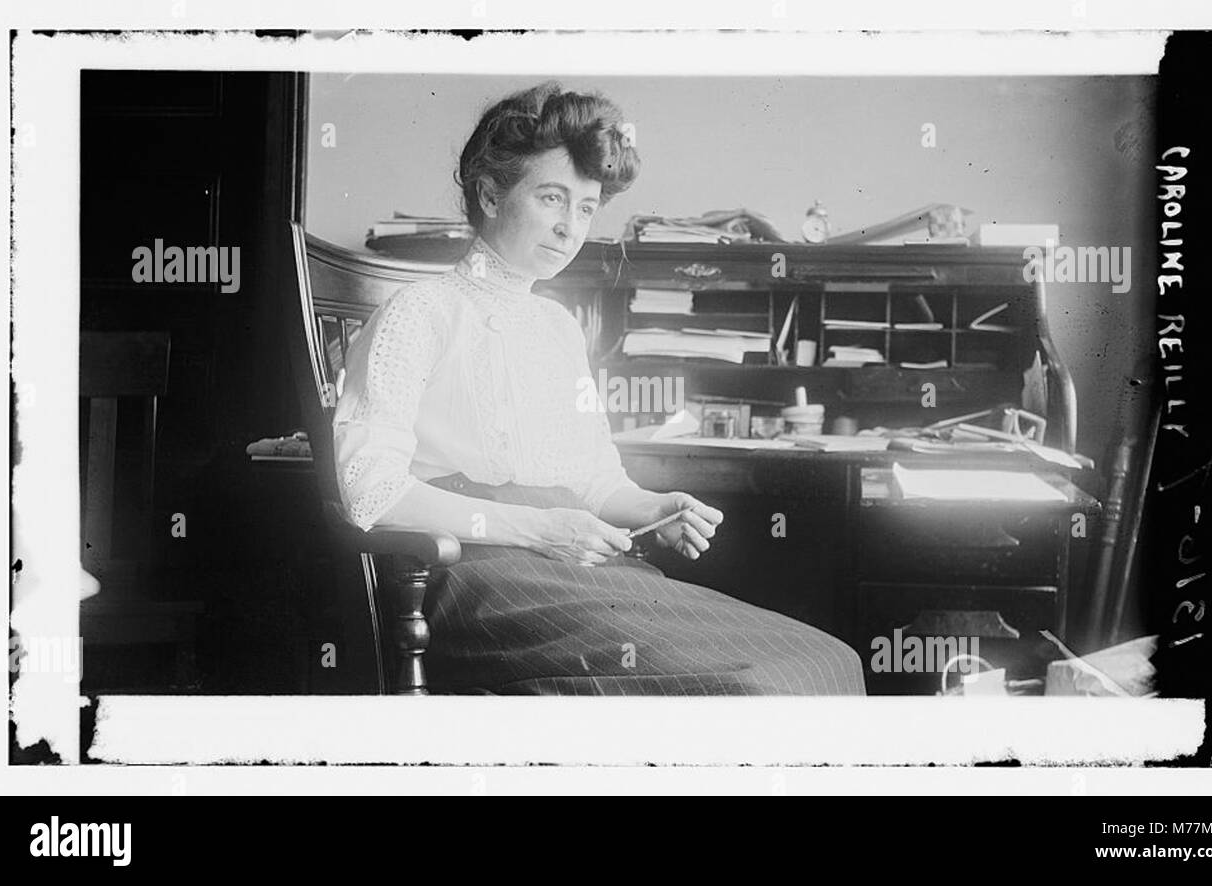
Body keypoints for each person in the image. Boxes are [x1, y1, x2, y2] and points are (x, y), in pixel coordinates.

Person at [333, 80, 865, 695]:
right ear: (489, 194)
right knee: (748, 692)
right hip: (471, 574)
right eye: (552, 199)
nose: (569, 228)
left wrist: (653, 507)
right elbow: (369, 493)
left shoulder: (560, 329)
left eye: (585, 208)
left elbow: (593, 480)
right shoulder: (416, 315)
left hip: (576, 568)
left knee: (825, 660)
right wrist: (541, 530)